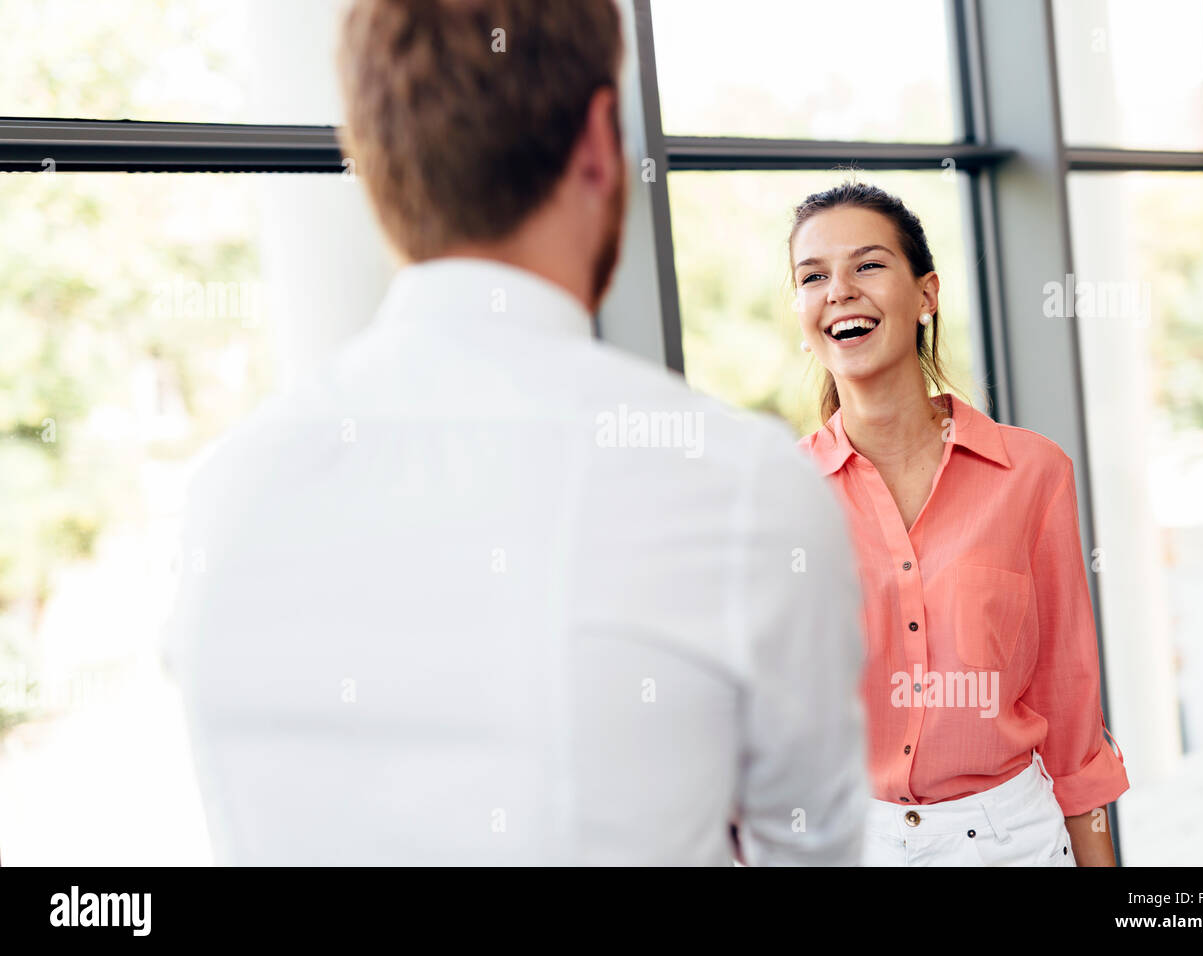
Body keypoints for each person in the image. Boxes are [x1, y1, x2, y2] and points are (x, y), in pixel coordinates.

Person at [162, 0, 869, 866]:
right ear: (600, 140)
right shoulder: (744, 488)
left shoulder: (221, 494)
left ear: (373, 161)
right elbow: (815, 848)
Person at [789, 181, 1129, 866]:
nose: (840, 290)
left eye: (869, 265)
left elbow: (1067, 695)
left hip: (1014, 842)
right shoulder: (781, 495)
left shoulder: (1031, 472)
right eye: (812, 276)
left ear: (926, 295)